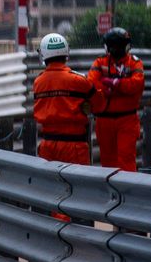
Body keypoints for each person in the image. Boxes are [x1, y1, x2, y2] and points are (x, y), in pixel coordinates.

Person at [32, 33, 105, 166]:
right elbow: (99, 105)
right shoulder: (79, 80)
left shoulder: (38, 82)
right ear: (66, 53)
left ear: (43, 55)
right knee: (77, 185)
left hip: (47, 146)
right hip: (74, 147)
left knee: (48, 186)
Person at [90, 27, 145, 171]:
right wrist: (118, 87)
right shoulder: (100, 62)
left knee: (126, 160)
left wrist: (114, 84)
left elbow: (136, 85)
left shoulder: (134, 62)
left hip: (127, 119)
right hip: (104, 120)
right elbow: (92, 83)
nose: (115, 49)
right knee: (107, 163)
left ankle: (127, 193)